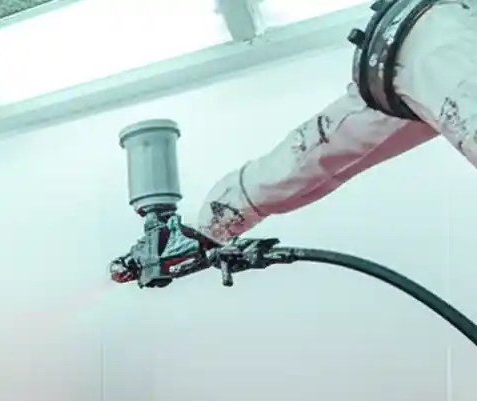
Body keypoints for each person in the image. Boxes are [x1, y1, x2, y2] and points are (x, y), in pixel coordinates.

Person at [195, 0, 477, 244]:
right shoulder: (439, 43)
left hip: (409, 43)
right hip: (425, 34)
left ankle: (210, 225)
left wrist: (213, 226)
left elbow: (311, 154)